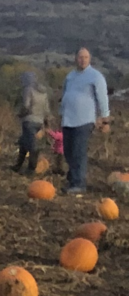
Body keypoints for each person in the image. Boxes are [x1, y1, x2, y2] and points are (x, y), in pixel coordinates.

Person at [59, 45, 110, 194]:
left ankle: (79, 184)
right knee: (68, 151)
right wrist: (61, 114)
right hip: (68, 119)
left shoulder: (95, 76)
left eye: (85, 57)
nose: (82, 60)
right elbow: (65, 95)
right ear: (76, 59)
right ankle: (72, 180)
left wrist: (105, 119)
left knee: (78, 151)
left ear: (90, 59)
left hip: (84, 120)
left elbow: (102, 98)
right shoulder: (70, 76)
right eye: (80, 57)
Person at [14, 70, 49, 174]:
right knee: (24, 142)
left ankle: (31, 169)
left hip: (29, 120)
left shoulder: (28, 89)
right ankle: (17, 166)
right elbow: (46, 109)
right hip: (40, 121)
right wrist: (45, 124)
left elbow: (26, 105)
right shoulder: (43, 92)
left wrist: (20, 114)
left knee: (32, 145)